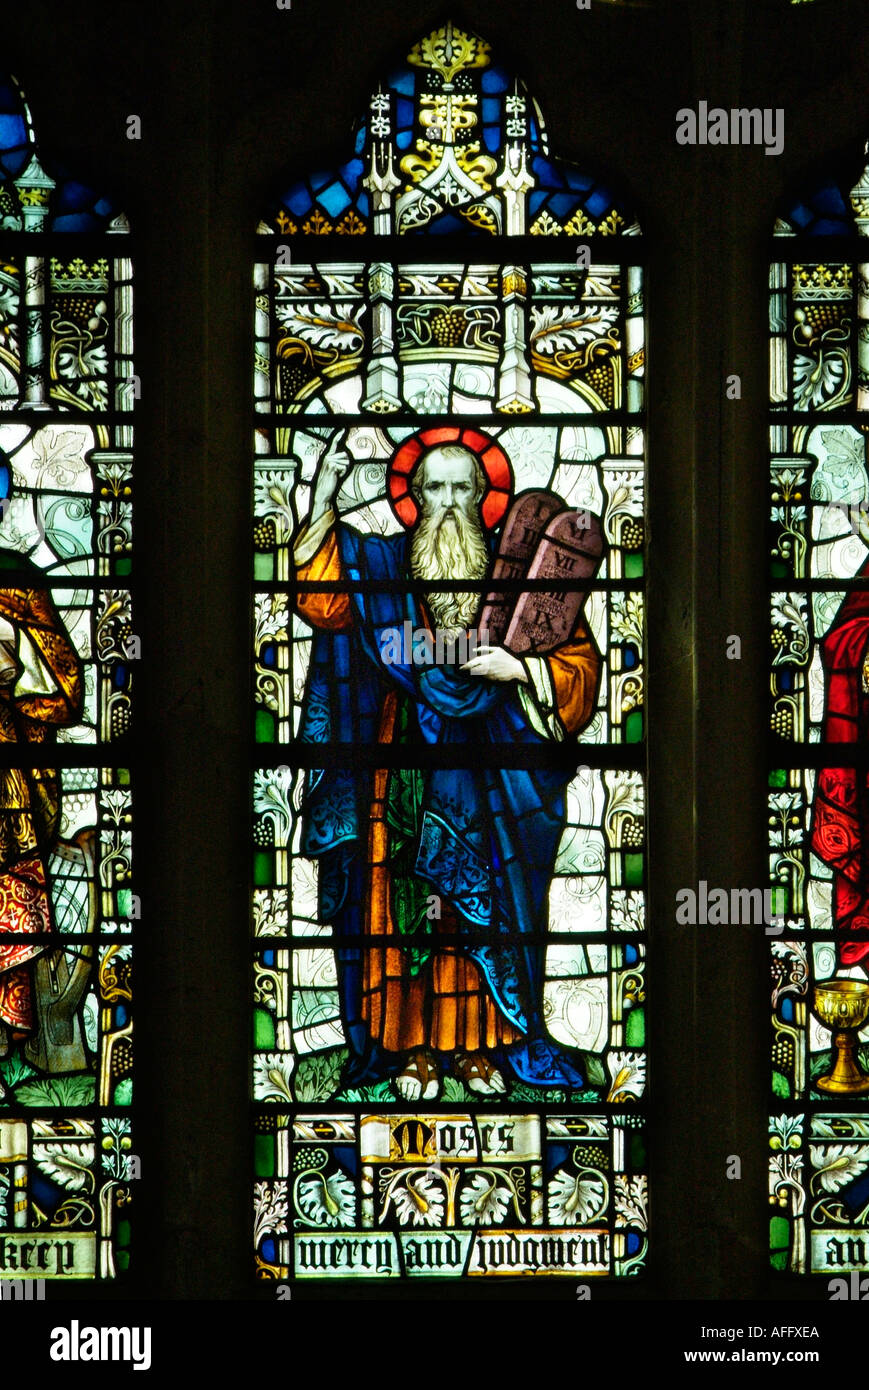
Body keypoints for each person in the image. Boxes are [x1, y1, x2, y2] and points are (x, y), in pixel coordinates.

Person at [292, 434, 601, 1101]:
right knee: (403, 909)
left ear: (484, 497)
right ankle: (409, 1051)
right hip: (398, 768)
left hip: (492, 776)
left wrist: (520, 668)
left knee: (474, 911)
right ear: (414, 496)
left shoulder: (520, 576)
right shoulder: (380, 566)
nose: (450, 502)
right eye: (436, 488)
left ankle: (479, 1048)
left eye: (463, 488)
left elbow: (577, 661)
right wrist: (321, 496)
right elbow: (320, 603)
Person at [0, 558, 83, 1062]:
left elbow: (62, 690)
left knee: (9, 887)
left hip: (8, 779)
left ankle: (9, 1027)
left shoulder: (18, 583)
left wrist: (15, 663)